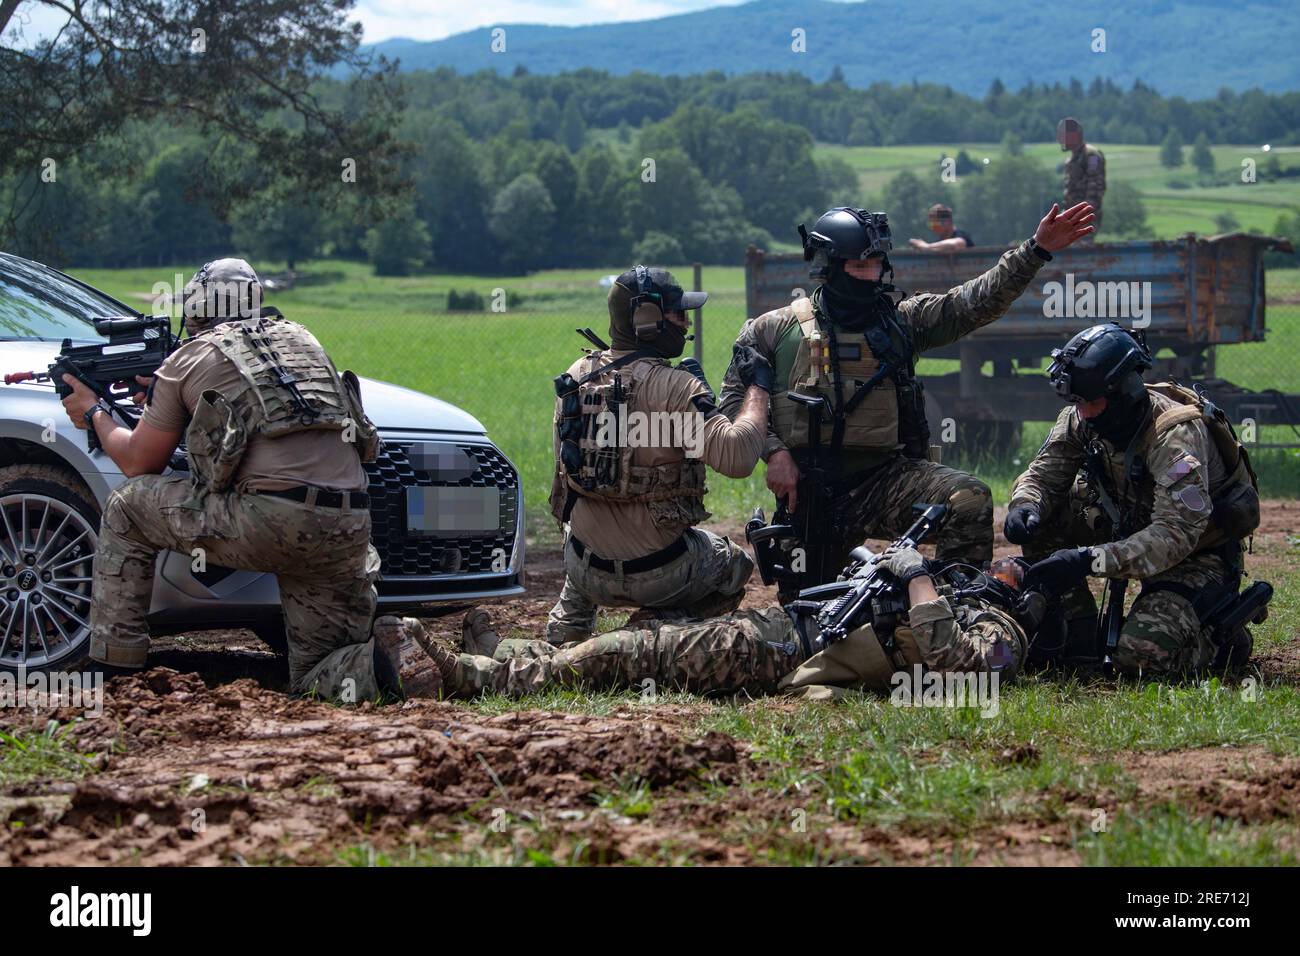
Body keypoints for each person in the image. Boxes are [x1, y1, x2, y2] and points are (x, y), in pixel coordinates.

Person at [720, 202, 1095, 600]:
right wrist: (775, 453)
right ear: (828, 267)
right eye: (859, 267)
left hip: (885, 482)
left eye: (877, 264)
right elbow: (732, 403)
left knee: (969, 498)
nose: (872, 275)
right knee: (811, 611)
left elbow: (971, 304)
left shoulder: (901, 322)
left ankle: (958, 613)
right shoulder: (772, 330)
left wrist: (1035, 250)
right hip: (809, 493)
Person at [60, 258, 397, 700]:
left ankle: (115, 666)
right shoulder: (302, 340)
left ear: (198, 307)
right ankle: (391, 659)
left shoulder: (189, 357)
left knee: (128, 504)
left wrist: (94, 413)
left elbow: (140, 463)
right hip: (347, 525)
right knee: (317, 672)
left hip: (270, 522)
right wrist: (173, 404)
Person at [379, 548, 1031, 701]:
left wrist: (918, 578)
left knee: (627, 654)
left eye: (1013, 574)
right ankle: (507, 652)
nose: (1004, 566)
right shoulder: (953, 593)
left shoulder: (1003, 635)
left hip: (784, 653)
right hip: (782, 631)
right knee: (639, 648)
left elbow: (959, 664)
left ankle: (470, 675)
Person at [1006, 323, 1262, 676]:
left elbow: (1176, 534)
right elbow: (1043, 475)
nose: (1084, 413)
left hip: (1196, 555)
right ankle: (1076, 635)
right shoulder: (1083, 416)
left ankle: (1221, 636)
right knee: (1043, 518)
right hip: (1129, 526)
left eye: (1092, 402)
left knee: (1141, 657)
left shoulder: (1174, 436)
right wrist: (1025, 504)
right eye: (1077, 403)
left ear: (1123, 391)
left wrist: (1089, 560)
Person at [545, 266, 774, 644]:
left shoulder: (577, 375)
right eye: (678, 314)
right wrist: (758, 389)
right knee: (736, 566)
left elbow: (564, 479)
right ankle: (652, 626)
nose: (685, 323)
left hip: (584, 567)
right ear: (647, 321)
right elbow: (738, 458)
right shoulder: (676, 387)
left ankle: (568, 628)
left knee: (588, 531)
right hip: (660, 574)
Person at [1057, 118, 1106, 239]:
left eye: (1063, 135)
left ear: (1074, 136)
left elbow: (1095, 188)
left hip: (1084, 219)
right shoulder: (1073, 159)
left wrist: (1085, 216)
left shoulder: (1091, 155)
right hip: (1073, 218)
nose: (1060, 139)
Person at [908, 203, 974, 252]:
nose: (933, 227)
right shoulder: (939, 243)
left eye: (935, 223)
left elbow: (955, 245)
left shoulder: (962, 235)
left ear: (947, 221)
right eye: (931, 224)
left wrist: (926, 246)